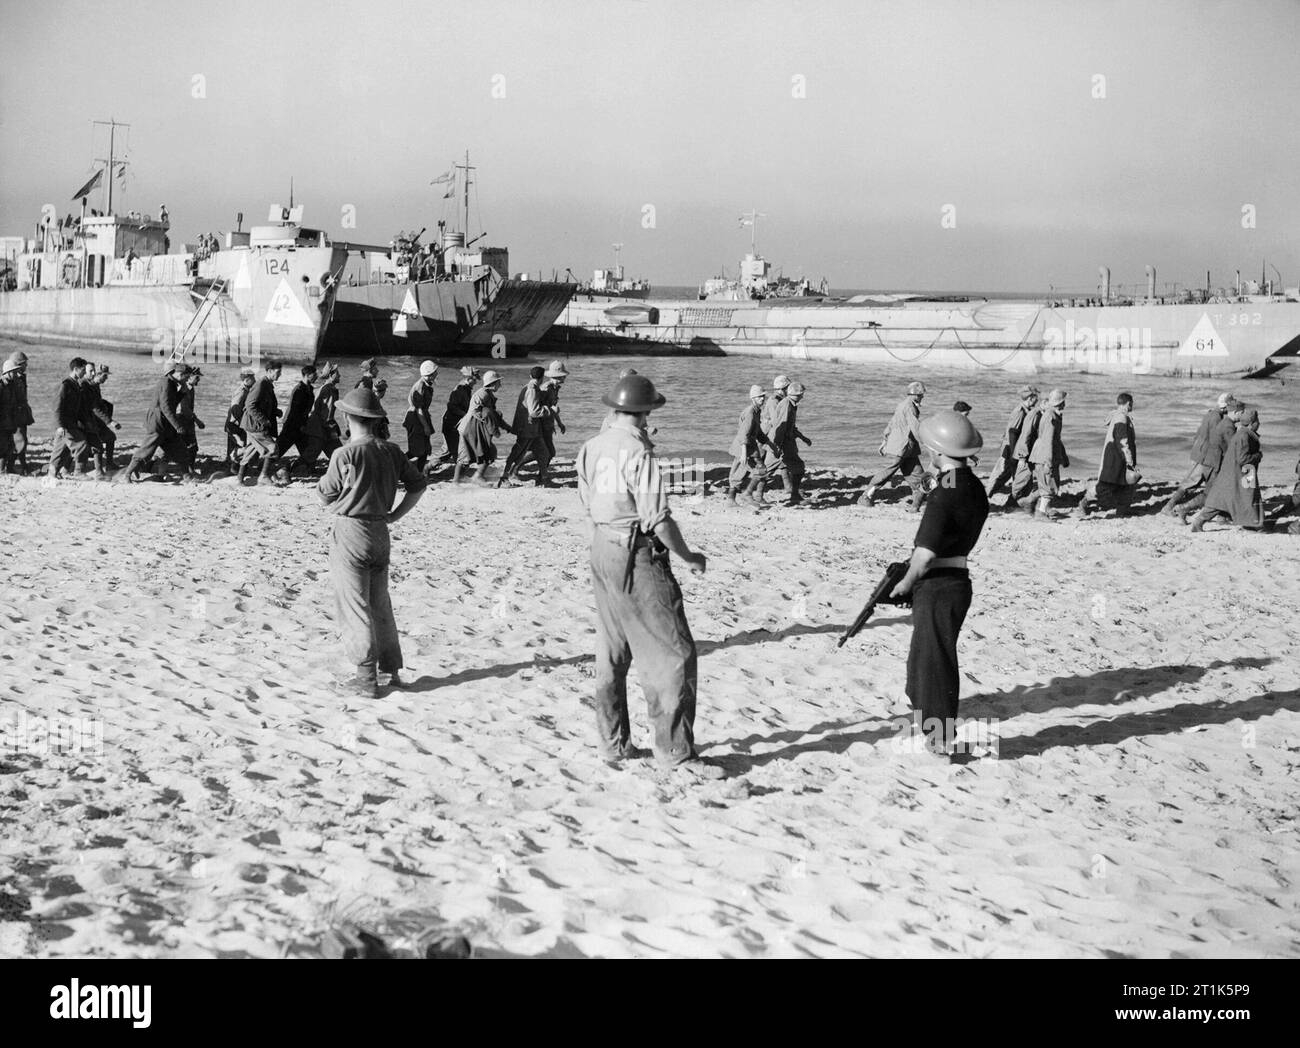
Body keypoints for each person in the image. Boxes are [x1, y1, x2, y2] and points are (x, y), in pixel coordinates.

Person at [575, 373, 714, 774]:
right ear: (647, 411)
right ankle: (675, 752)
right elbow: (658, 519)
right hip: (636, 550)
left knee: (612, 649)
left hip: (602, 547)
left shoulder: (592, 446)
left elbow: (586, 501)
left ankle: (613, 743)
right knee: (675, 654)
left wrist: (601, 542)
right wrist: (688, 556)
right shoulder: (639, 453)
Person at [888, 409, 989, 757]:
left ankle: (940, 739)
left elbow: (925, 553)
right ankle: (929, 727)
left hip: (938, 584)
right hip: (957, 580)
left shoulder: (944, 492)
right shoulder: (973, 486)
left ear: (936, 451)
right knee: (926, 660)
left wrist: (905, 583)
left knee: (934, 663)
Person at [318, 386, 428, 698]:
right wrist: (394, 515)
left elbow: (325, 495)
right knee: (380, 602)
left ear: (347, 416)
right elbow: (418, 486)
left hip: (351, 531)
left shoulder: (345, 453)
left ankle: (365, 677)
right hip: (381, 530)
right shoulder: (391, 450)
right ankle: (389, 669)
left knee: (354, 605)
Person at [1187, 408, 1263, 532]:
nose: (1259, 424)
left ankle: (1249, 523)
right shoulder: (1244, 436)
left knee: (1240, 497)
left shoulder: (1243, 433)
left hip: (1242, 471)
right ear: (1251, 424)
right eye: (1257, 421)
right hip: (1241, 472)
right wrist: (1257, 456)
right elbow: (1243, 459)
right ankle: (1200, 521)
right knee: (1238, 498)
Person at [1162, 393, 1236, 515]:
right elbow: (1216, 440)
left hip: (1200, 452)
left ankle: (1170, 506)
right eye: (1230, 405)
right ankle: (1169, 506)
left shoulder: (1210, 414)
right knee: (1190, 483)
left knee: (1191, 482)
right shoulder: (1217, 418)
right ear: (1225, 406)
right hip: (1205, 456)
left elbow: (1199, 434)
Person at [119, 363, 194, 482]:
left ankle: (187, 476)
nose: (187, 378)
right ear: (178, 374)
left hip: (166, 425)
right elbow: (165, 407)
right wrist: (177, 425)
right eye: (185, 375)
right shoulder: (166, 383)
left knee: (180, 449)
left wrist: (183, 392)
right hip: (157, 423)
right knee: (146, 450)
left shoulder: (172, 383)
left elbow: (172, 403)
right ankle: (127, 474)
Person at [862, 381, 926, 509]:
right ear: (915, 395)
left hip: (908, 448)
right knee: (887, 473)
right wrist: (928, 442)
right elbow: (915, 427)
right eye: (921, 395)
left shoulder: (902, 405)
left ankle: (919, 499)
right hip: (900, 447)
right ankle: (865, 497)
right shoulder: (909, 407)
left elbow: (891, 423)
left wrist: (884, 440)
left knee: (917, 474)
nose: (922, 397)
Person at [1080, 393, 1139, 517]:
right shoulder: (1121, 418)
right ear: (1128, 403)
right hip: (1116, 459)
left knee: (1124, 486)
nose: (1132, 405)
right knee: (1107, 486)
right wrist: (1129, 459)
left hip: (1114, 457)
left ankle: (1121, 511)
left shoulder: (1117, 416)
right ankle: (1084, 503)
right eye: (1132, 403)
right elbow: (1122, 441)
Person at [453, 370, 513, 483]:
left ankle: (478, 476)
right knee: (464, 457)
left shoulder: (487, 395)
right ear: (493, 383)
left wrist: (506, 427)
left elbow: (492, 415)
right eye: (499, 382)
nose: (500, 385)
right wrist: (493, 426)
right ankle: (456, 482)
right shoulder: (483, 394)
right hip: (469, 428)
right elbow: (479, 412)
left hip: (475, 429)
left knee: (490, 452)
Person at [726, 384, 777, 506]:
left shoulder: (757, 411)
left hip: (750, 447)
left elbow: (758, 432)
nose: (762, 399)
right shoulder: (750, 412)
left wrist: (769, 443)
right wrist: (744, 453)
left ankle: (734, 498)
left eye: (763, 397)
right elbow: (744, 434)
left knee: (751, 472)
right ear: (753, 398)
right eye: (759, 397)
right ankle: (741, 496)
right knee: (757, 471)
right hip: (744, 448)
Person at [987, 386, 1038, 504]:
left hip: (1013, 448)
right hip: (1010, 448)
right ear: (1030, 398)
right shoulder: (1020, 412)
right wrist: (1015, 456)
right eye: (1036, 397)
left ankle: (1012, 500)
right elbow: (1012, 433)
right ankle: (985, 496)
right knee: (1000, 475)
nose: (1037, 400)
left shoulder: (1026, 410)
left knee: (1008, 475)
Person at [499, 366, 550, 486]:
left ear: (530, 376)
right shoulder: (532, 389)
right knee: (517, 453)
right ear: (542, 378)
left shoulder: (528, 387)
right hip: (528, 429)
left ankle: (543, 479)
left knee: (543, 453)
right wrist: (548, 410)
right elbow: (533, 411)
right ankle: (504, 477)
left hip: (531, 429)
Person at [237, 360, 284, 486]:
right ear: (269, 371)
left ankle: (239, 478)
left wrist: (276, 411)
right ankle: (263, 476)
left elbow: (262, 404)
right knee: (273, 448)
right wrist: (264, 421)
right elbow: (250, 405)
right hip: (255, 425)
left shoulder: (267, 384)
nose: (280, 375)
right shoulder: (261, 384)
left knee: (251, 450)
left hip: (251, 424)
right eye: (278, 372)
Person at [1026, 388, 1069, 517]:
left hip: (1044, 453)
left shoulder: (1052, 414)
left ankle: (1033, 505)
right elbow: (1048, 441)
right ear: (1059, 402)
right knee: (1049, 485)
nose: (1065, 404)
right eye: (1063, 401)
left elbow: (1055, 440)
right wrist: (1048, 462)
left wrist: (1063, 456)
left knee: (1048, 483)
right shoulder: (1051, 416)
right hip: (1044, 454)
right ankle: (1040, 512)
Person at [48, 358, 93, 479]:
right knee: (81, 444)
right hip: (65, 424)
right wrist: (59, 426)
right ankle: (79, 472)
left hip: (71, 423)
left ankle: (52, 473)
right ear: (76, 369)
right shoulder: (65, 384)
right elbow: (56, 407)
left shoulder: (75, 384)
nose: (84, 373)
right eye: (83, 370)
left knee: (60, 450)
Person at [296, 363, 343, 475]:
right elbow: (327, 414)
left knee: (323, 451)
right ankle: (291, 469)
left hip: (317, 426)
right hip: (320, 427)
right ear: (331, 375)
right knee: (316, 452)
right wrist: (332, 429)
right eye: (337, 374)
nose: (340, 376)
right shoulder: (330, 390)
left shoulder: (324, 388)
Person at [769, 381, 811, 506]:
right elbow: (780, 427)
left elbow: (790, 426)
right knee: (765, 471)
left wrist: (803, 438)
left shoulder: (791, 404)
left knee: (797, 467)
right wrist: (777, 446)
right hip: (782, 442)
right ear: (796, 395)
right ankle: (749, 493)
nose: (802, 397)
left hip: (785, 442)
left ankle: (794, 495)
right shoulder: (786, 405)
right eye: (801, 394)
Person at [275, 365, 318, 470]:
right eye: (314, 374)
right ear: (307, 375)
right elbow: (294, 411)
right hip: (292, 425)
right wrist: (301, 425)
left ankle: (308, 467)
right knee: (279, 449)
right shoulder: (299, 390)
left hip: (300, 425)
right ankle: (262, 467)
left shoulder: (309, 389)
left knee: (306, 448)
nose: (316, 376)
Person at [535, 360, 569, 486]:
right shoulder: (545, 389)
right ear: (556, 376)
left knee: (546, 452)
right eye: (563, 376)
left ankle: (539, 476)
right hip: (541, 425)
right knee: (548, 452)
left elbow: (553, 409)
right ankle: (540, 477)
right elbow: (537, 409)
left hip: (548, 424)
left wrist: (559, 423)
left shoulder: (555, 388)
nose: (564, 378)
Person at [402, 360, 438, 473]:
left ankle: (419, 472)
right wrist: (426, 426)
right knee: (415, 450)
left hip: (422, 417)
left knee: (425, 450)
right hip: (416, 420)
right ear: (429, 374)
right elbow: (419, 409)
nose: (436, 374)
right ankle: (396, 466)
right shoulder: (420, 386)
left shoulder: (426, 385)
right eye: (435, 372)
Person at [1, 351, 33, 473]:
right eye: (24, 363)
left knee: (18, 442)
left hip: (20, 414)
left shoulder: (20, 378)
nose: (26, 366)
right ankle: (13, 467)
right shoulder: (10, 381)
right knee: (19, 442)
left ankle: (12, 466)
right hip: (12, 416)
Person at [84, 364, 121, 469]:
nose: (106, 378)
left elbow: (98, 403)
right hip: (88, 423)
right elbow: (94, 407)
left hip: (96, 422)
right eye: (105, 376)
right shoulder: (88, 386)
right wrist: (110, 421)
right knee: (95, 445)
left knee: (111, 437)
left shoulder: (95, 385)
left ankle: (109, 464)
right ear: (98, 374)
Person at [439, 366, 478, 463]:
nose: (476, 382)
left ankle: (459, 471)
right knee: (447, 452)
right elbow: (451, 407)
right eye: (475, 380)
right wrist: (465, 415)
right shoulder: (460, 389)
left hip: (456, 423)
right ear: (469, 379)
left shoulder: (466, 389)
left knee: (457, 450)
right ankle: (427, 468)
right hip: (451, 423)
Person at [225, 367, 257, 467]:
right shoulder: (242, 391)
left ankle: (231, 464)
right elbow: (235, 408)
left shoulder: (246, 390)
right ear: (246, 380)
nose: (255, 380)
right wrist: (243, 421)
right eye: (253, 378)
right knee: (241, 444)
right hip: (235, 424)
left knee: (235, 446)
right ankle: (232, 463)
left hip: (235, 423)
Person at [177, 366, 206, 475]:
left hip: (188, 421)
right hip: (181, 420)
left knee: (193, 447)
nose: (199, 380)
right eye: (197, 378)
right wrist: (197, 420)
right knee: (178, 447)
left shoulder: (190, 388)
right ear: (190, 377)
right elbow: (184, 408)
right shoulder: (183, 388)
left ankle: (190, 469)